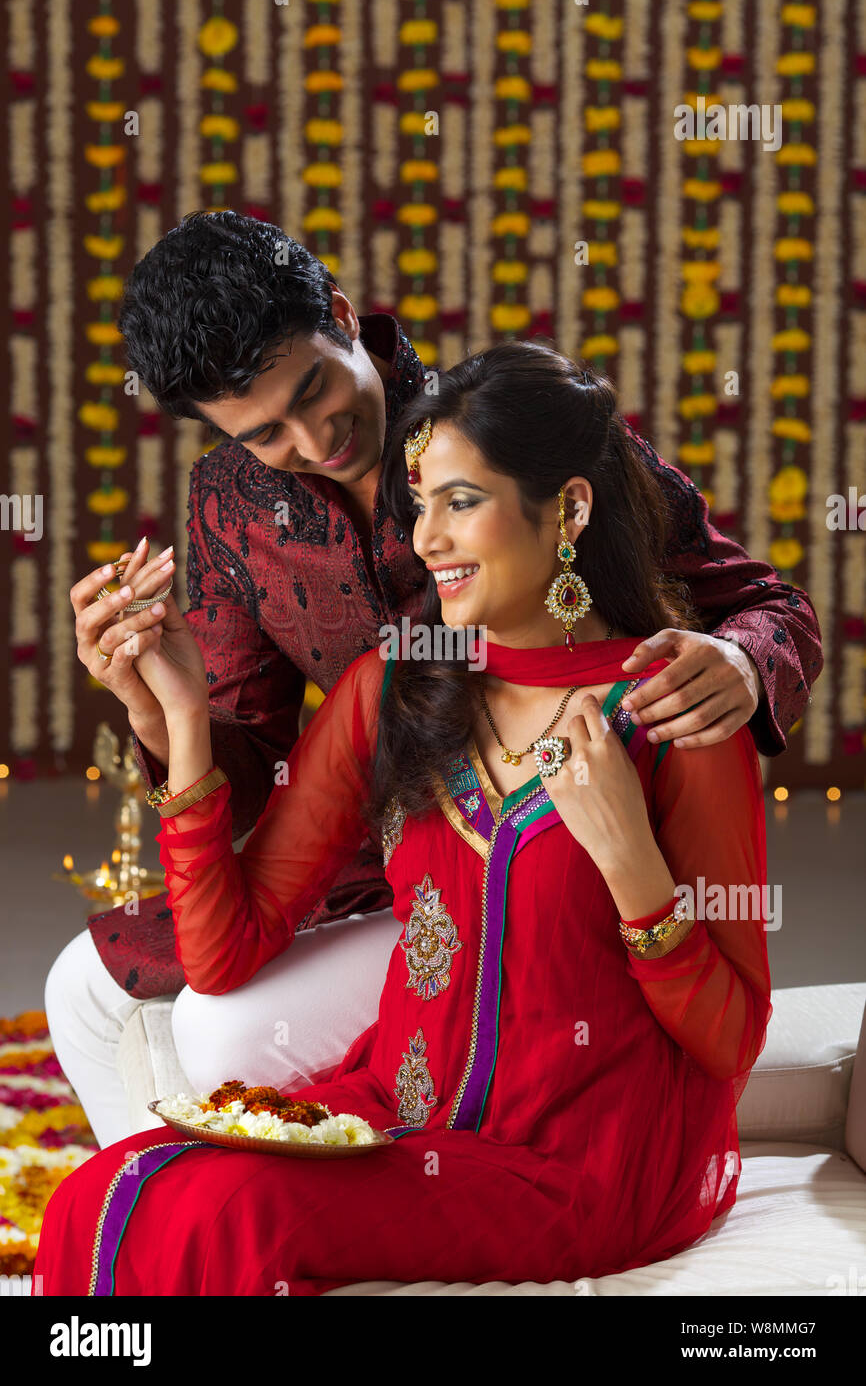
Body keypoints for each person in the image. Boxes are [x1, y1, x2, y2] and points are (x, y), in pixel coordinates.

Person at [49, 210, 821, 1150]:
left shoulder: (503, 427)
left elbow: (768, 604)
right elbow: (248, 760)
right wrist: (156, 707)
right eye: (264, 433)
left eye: (315, 389)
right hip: (342, 860)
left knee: (222, 1037)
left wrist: (743, 656)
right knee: (78, 989)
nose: (312, 435)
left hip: (547, 856)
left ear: (339, 315)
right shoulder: (230, 504)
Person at [35, 344, 775, 1295]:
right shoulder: (395, 688)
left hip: (585, 1162)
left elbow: (731, 1038)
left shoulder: (674, 710)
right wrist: (181, 718)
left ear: (571, 510)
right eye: (420, 503)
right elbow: (222, 955)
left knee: (234, 1216)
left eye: (461, 501)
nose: (426, 539)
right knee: (96, 1195)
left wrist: (633, 867)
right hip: (402, 1113)